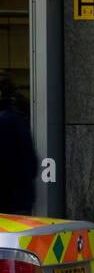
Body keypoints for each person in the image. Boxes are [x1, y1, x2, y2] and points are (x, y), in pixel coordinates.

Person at [0, 72, 39, 214]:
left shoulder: (4, 121)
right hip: (20, 202)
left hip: (7, 205)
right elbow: (32, 165)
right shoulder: (17, 119)